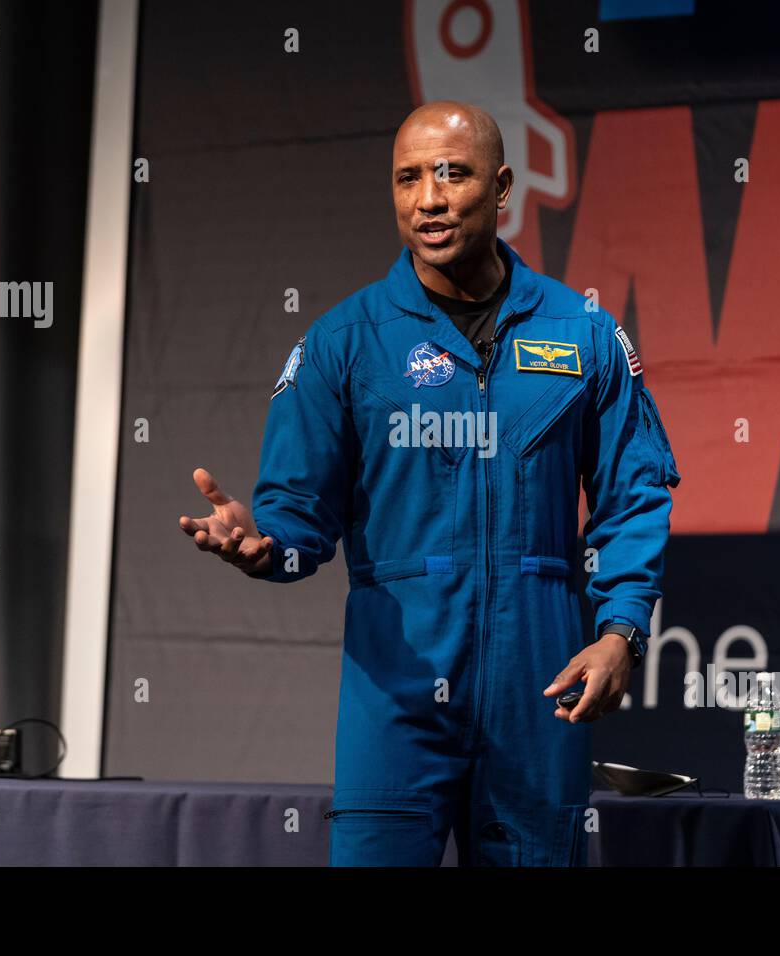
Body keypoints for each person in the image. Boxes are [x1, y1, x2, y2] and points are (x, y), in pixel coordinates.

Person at [178, 100, 679, 866]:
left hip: (537, 690)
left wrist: (621, 634)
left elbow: (632, 499)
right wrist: (264, 542)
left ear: (503, 185)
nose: (429, 199)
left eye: (452, 174)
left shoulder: (582, 335)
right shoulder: (345, 342)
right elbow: (296, 515)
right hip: (397, 699)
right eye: (408, 178)